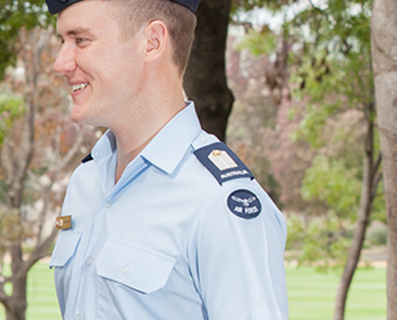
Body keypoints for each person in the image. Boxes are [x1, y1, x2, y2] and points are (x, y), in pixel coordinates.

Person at [46, 0, 288, 319]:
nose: (61, 63)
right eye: (62, 41)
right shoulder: (86, 181)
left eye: (81, 40)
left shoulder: (217, 201)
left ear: (153, 42)